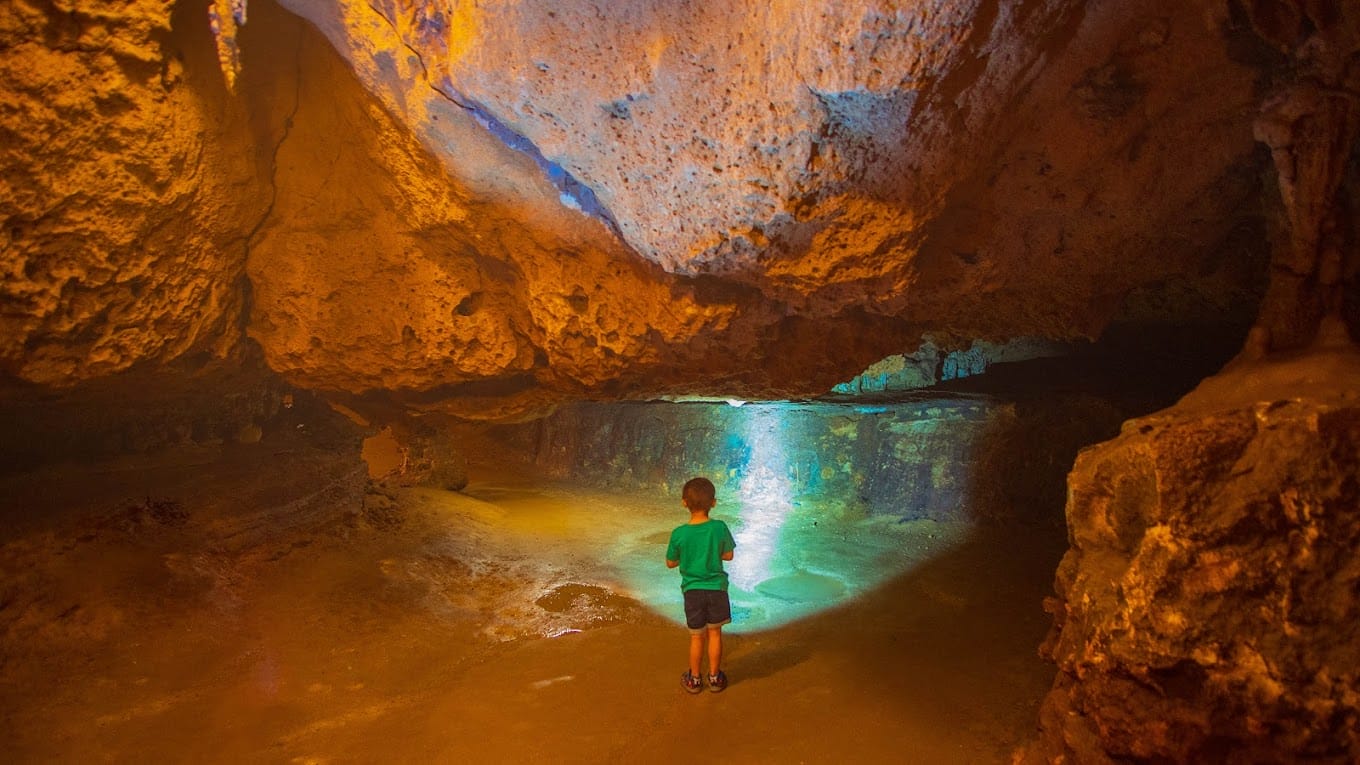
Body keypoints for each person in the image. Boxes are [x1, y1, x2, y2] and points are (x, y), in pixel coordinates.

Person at [665, 476, 736, 693]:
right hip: (716, 589)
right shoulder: (719, 527)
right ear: (713, 503)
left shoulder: (679, 534)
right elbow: (729, 555)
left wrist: (686, 557)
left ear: (684, 502)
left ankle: (694, 679)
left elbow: (670, 562)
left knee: (697, 636)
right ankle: (714, 677)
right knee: (715, 634)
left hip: (693, 591)